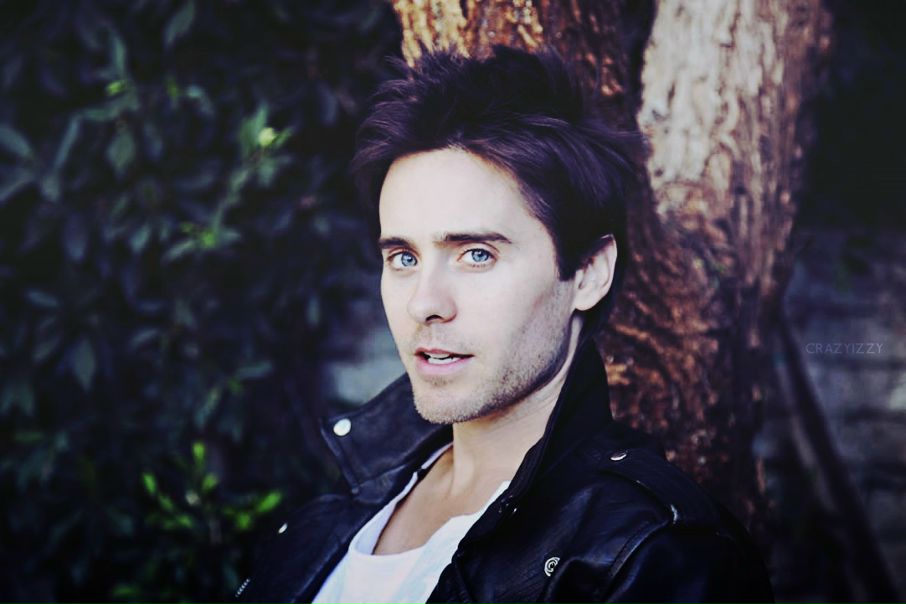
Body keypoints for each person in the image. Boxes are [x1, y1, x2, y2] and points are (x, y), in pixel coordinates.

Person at [237, 46, 773, 603]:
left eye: (476, 255)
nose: (424, 303)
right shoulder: (332, 515)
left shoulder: (652, 555)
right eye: (404, 257)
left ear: (588, 274)